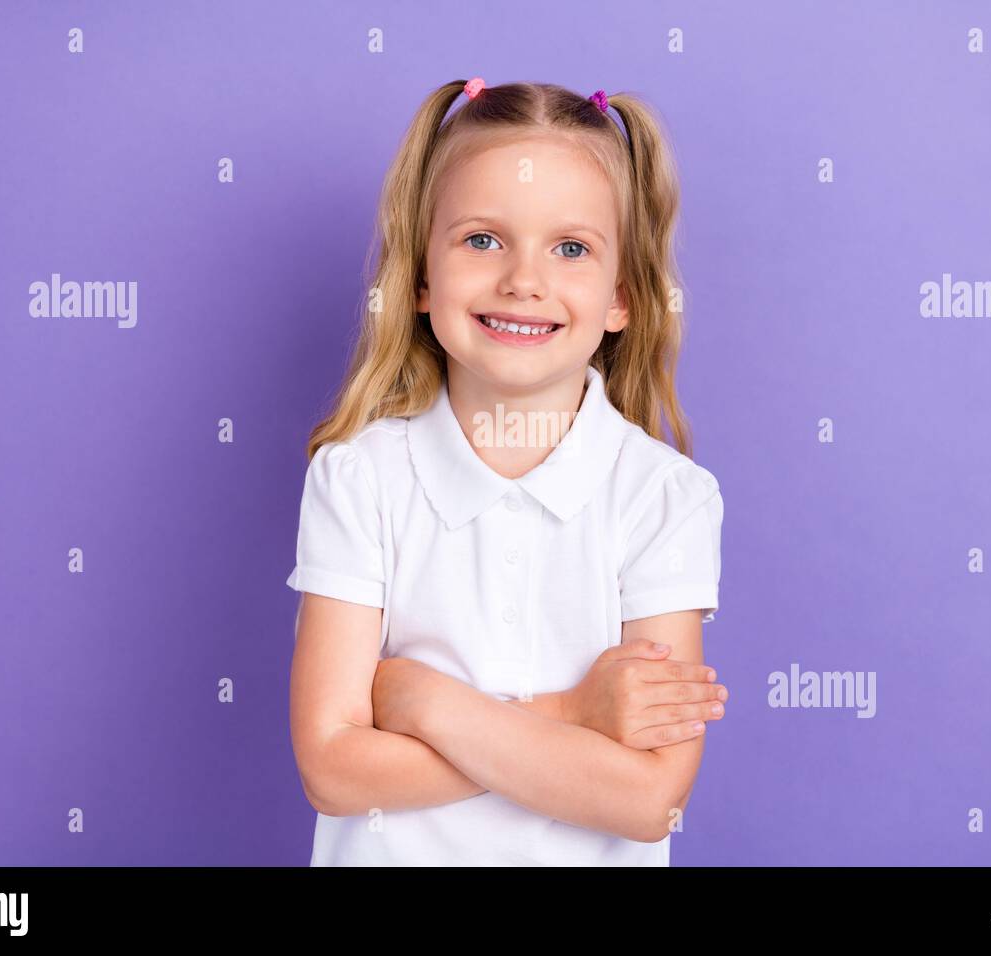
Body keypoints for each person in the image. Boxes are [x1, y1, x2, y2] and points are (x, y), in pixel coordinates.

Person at [287, 78, 727, 866]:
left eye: (571, 248)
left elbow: (646, 799)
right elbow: (332, 771)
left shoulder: (665, 498)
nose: (524, 280)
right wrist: (576, 713)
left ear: (622, 296)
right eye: (483, 239)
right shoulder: (359, 480)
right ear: (421, 276)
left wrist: (419, 700)